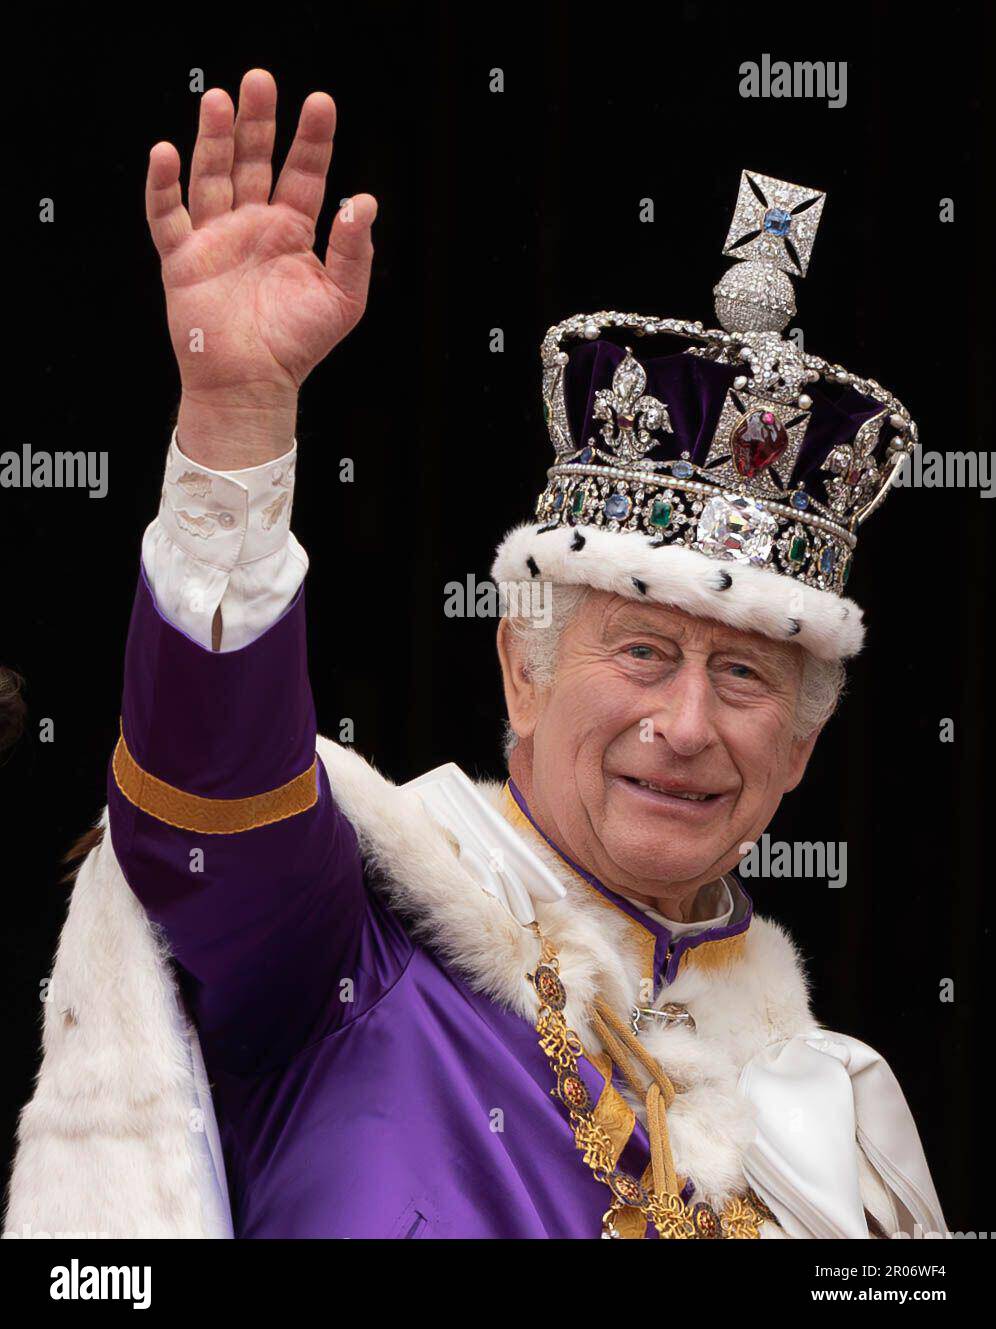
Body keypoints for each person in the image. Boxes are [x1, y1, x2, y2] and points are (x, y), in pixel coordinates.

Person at [6, 70, 944, 1241]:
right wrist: (237, 433)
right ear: (521, 670)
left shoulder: (843, 1129)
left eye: (746, 675)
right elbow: (205, 802)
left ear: (801, 747)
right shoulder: (352, 935)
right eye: (644, 650)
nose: (689, 723)